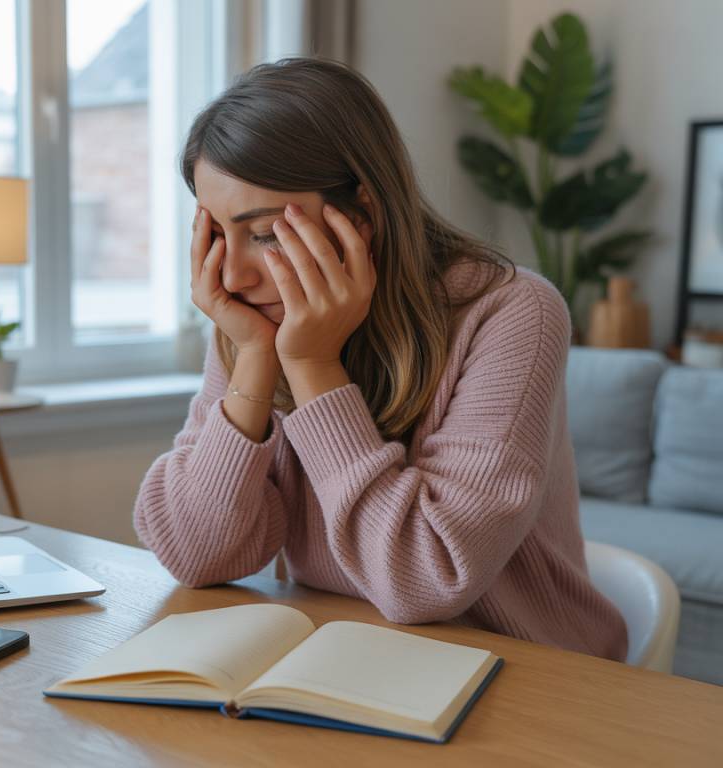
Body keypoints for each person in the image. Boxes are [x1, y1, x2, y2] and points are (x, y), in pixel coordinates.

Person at [133, 57, 628, 661]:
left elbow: (428, 577)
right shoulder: (253, 320)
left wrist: (314, 368)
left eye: (262, 234)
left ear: (361, 213)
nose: (232, 274)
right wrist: (257, 357)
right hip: (350, 656)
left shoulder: (511, 312)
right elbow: (194, 554)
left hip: (530, 669)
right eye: (215, 236)